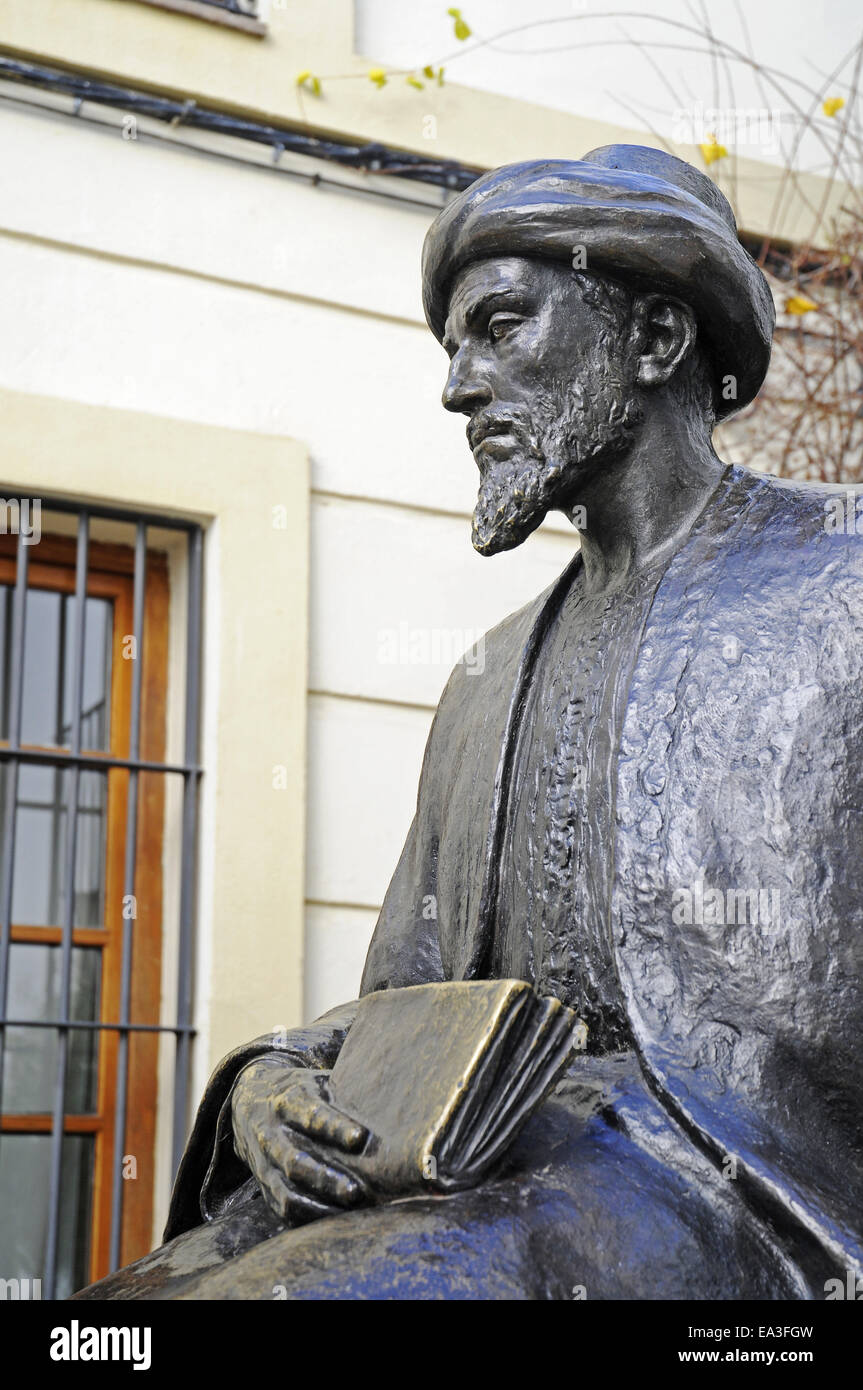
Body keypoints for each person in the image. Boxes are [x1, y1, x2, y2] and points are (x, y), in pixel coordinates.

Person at [78, 145, 863, 1301]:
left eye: (499, 328)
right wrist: (273, 1077)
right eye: (454, 349)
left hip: (740, 1202)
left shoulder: (841, 578)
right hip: (464, 1160)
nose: (458, 388)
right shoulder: (483, 677)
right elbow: (398, 1002)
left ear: (654, 337)